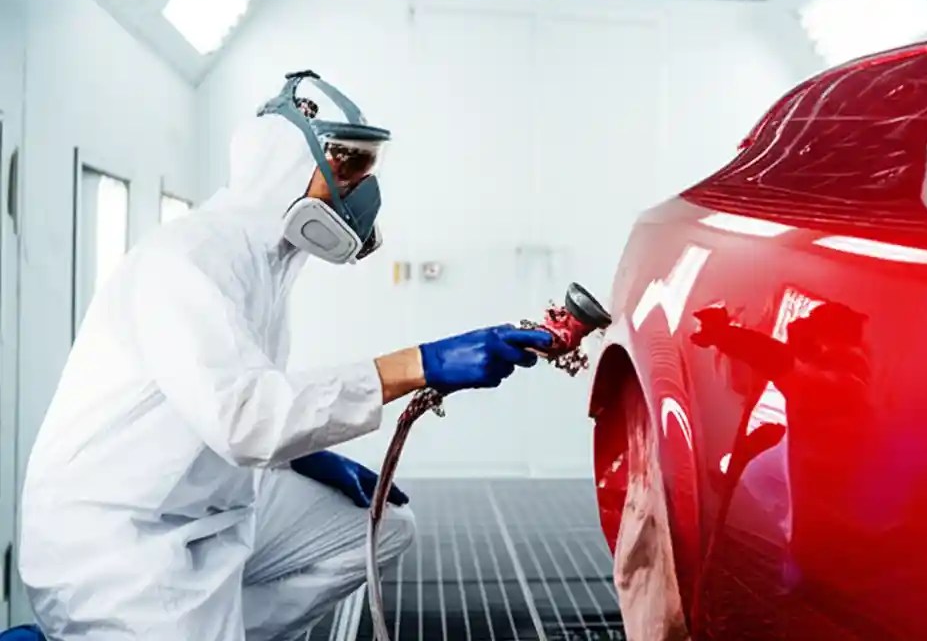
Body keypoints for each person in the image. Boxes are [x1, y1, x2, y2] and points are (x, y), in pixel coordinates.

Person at [15, 72, 552, 640]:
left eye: (367, 169)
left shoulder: (266, 266)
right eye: (347, 166)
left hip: (208, 501)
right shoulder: (187, 260)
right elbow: (246, 417)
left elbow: (232, 399)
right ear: (283, 167)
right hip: (119, 537)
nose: (360, 190)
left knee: (381, 528)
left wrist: (300, 458)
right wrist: (418, 363)